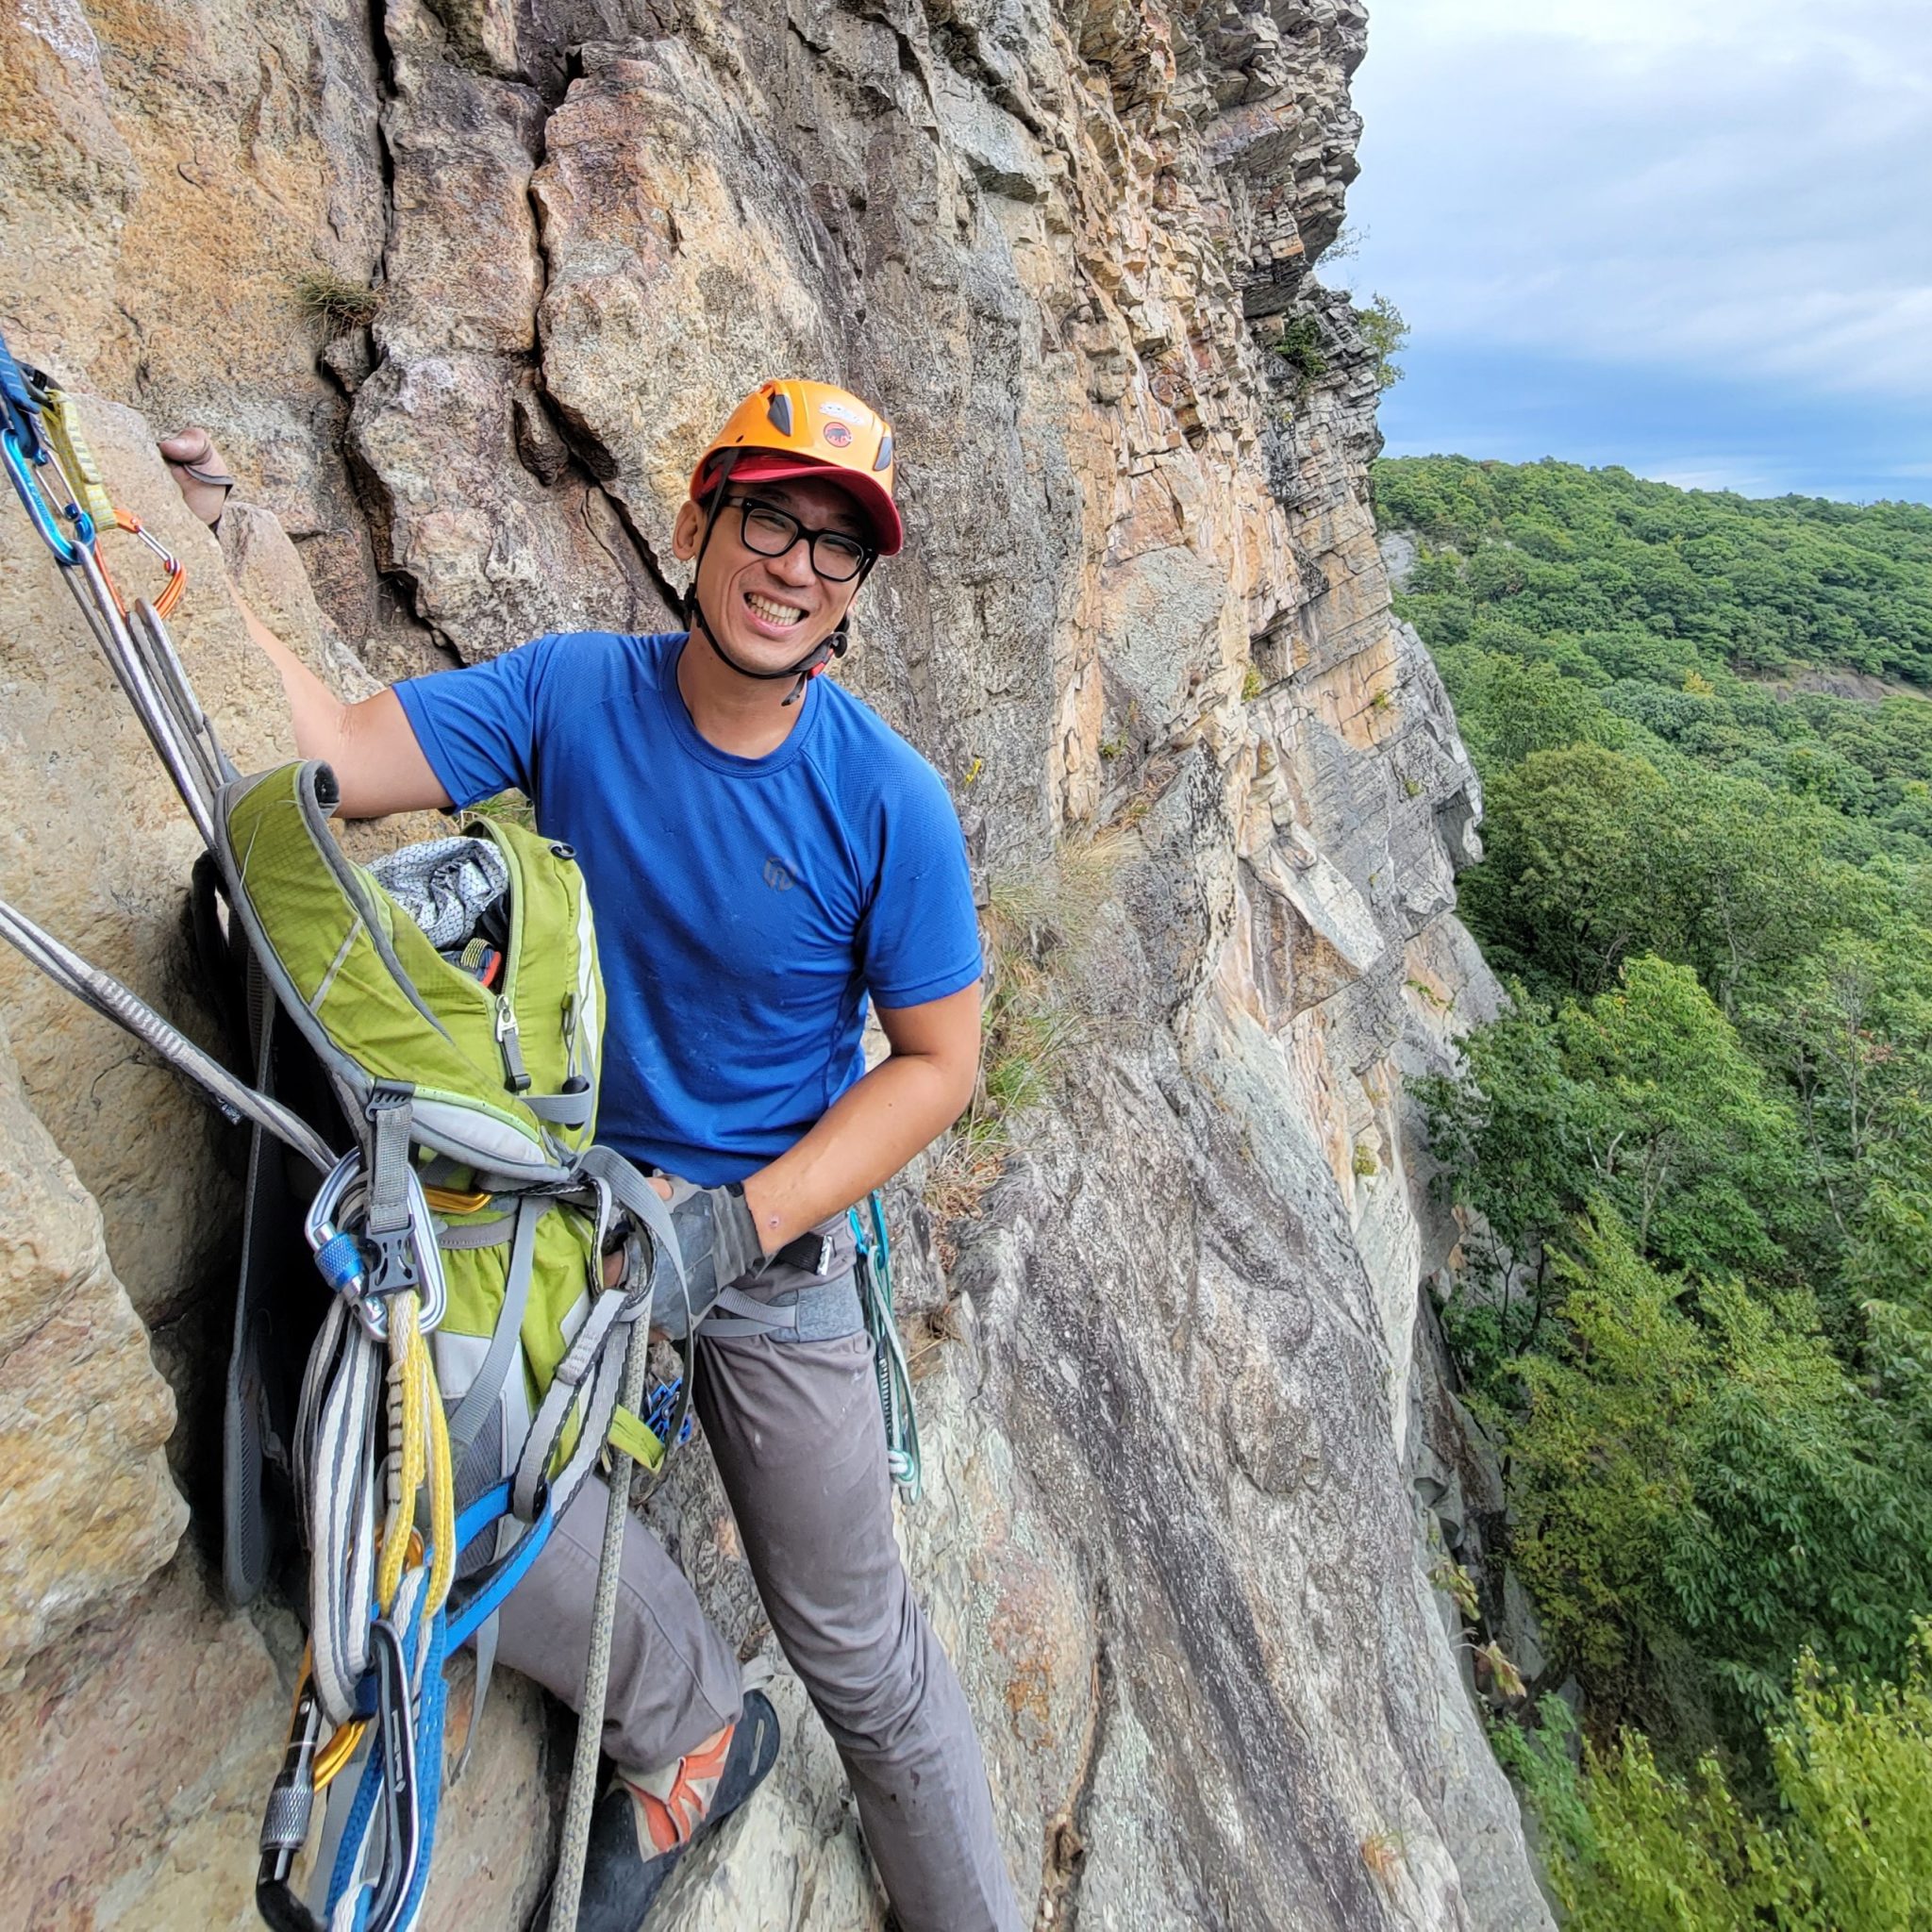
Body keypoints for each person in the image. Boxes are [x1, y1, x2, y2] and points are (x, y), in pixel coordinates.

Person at [162, 381, 1023, 1932]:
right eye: (771, 518)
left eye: (839, 548)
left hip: (766, 1236)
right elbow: (344, 754)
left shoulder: (887, 800)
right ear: (697, 528)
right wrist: (205, 545)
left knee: (856, 1648)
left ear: (857, 595)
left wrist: (737, 1226)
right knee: (419, 1478)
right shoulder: (574, 693)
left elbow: (939, 1061)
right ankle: (690, 1725)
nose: (798, 567)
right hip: (563, 1211)